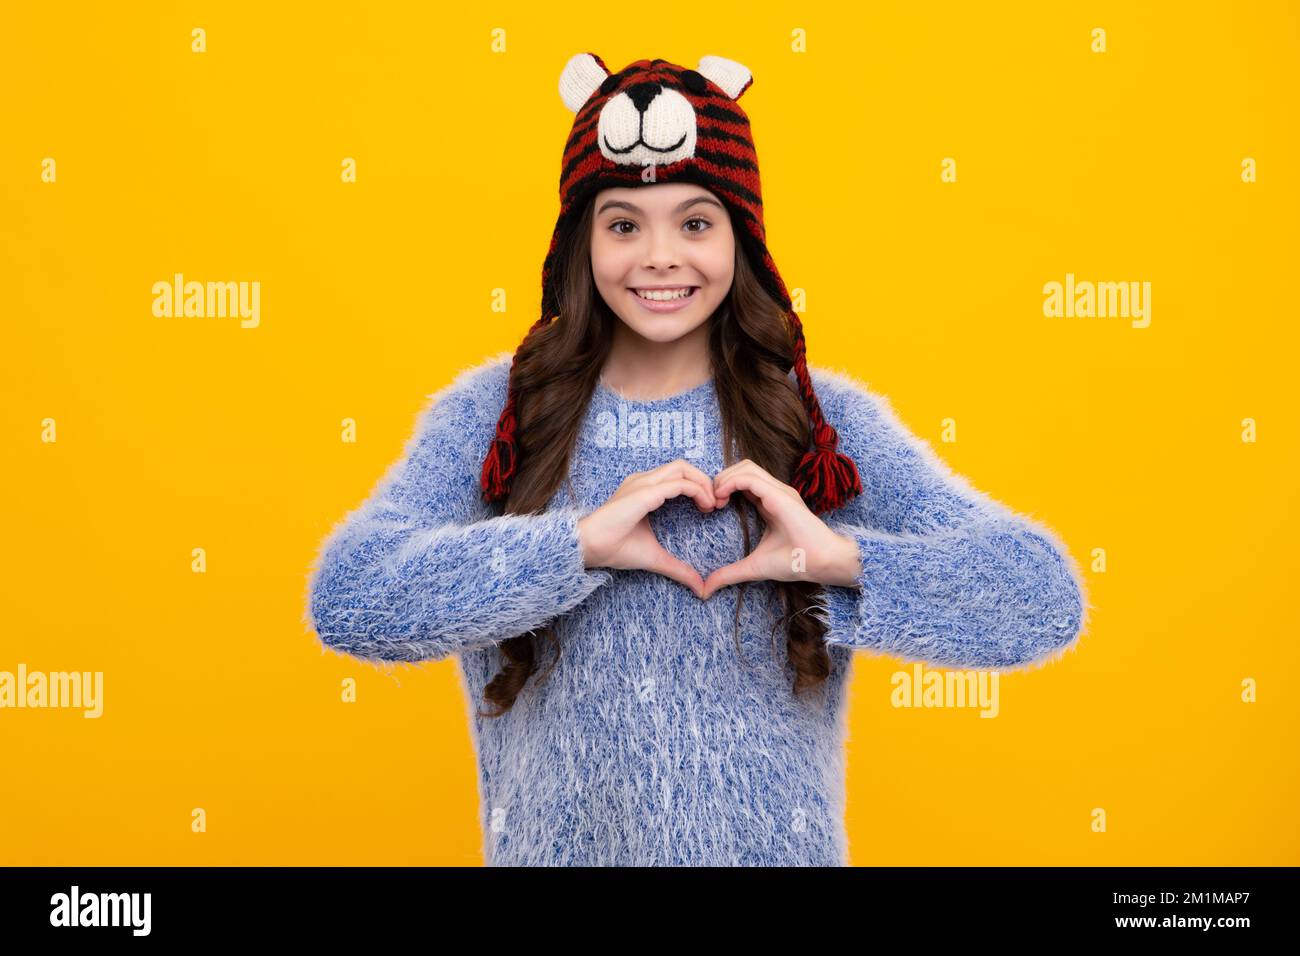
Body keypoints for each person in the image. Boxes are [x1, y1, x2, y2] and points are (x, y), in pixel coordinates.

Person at [304, 53, 1091, 866]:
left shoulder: (816, 426)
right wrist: (572, 546)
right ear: (581, 241)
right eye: (622, 224)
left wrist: (837, 558)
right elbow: (351, 597)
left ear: (740, 238)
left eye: (694, 222)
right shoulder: (498, 416)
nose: (659, 257)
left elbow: (1040, 601)